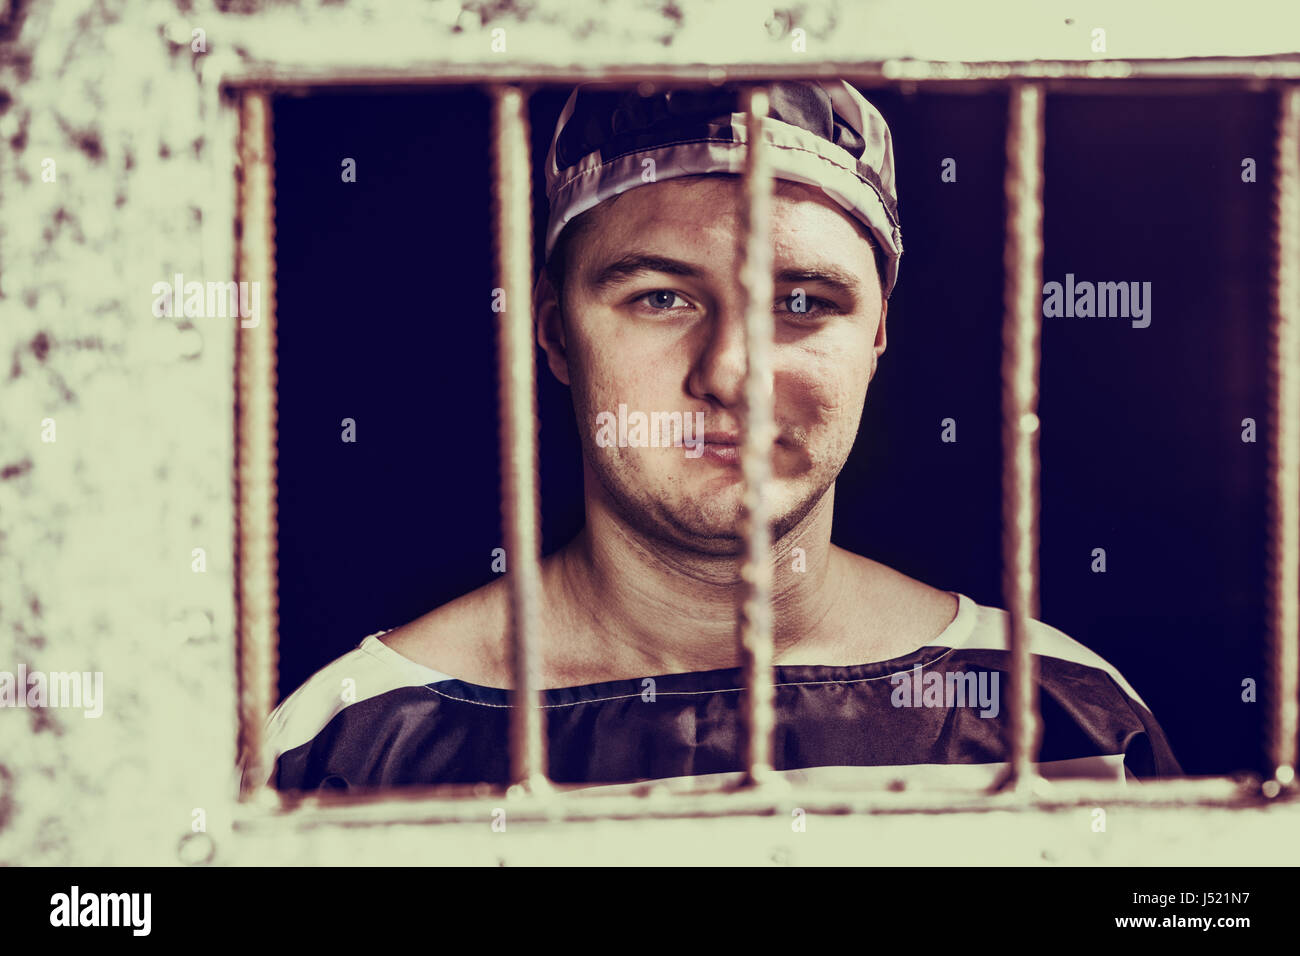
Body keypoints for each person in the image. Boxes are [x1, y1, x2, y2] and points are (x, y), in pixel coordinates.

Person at [254, 80, 1180, 792]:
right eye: (660, 297)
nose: (732, 369)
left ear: (877, 337)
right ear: (553, 333)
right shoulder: (354, 745)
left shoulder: (1066, 722)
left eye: (802, 303)